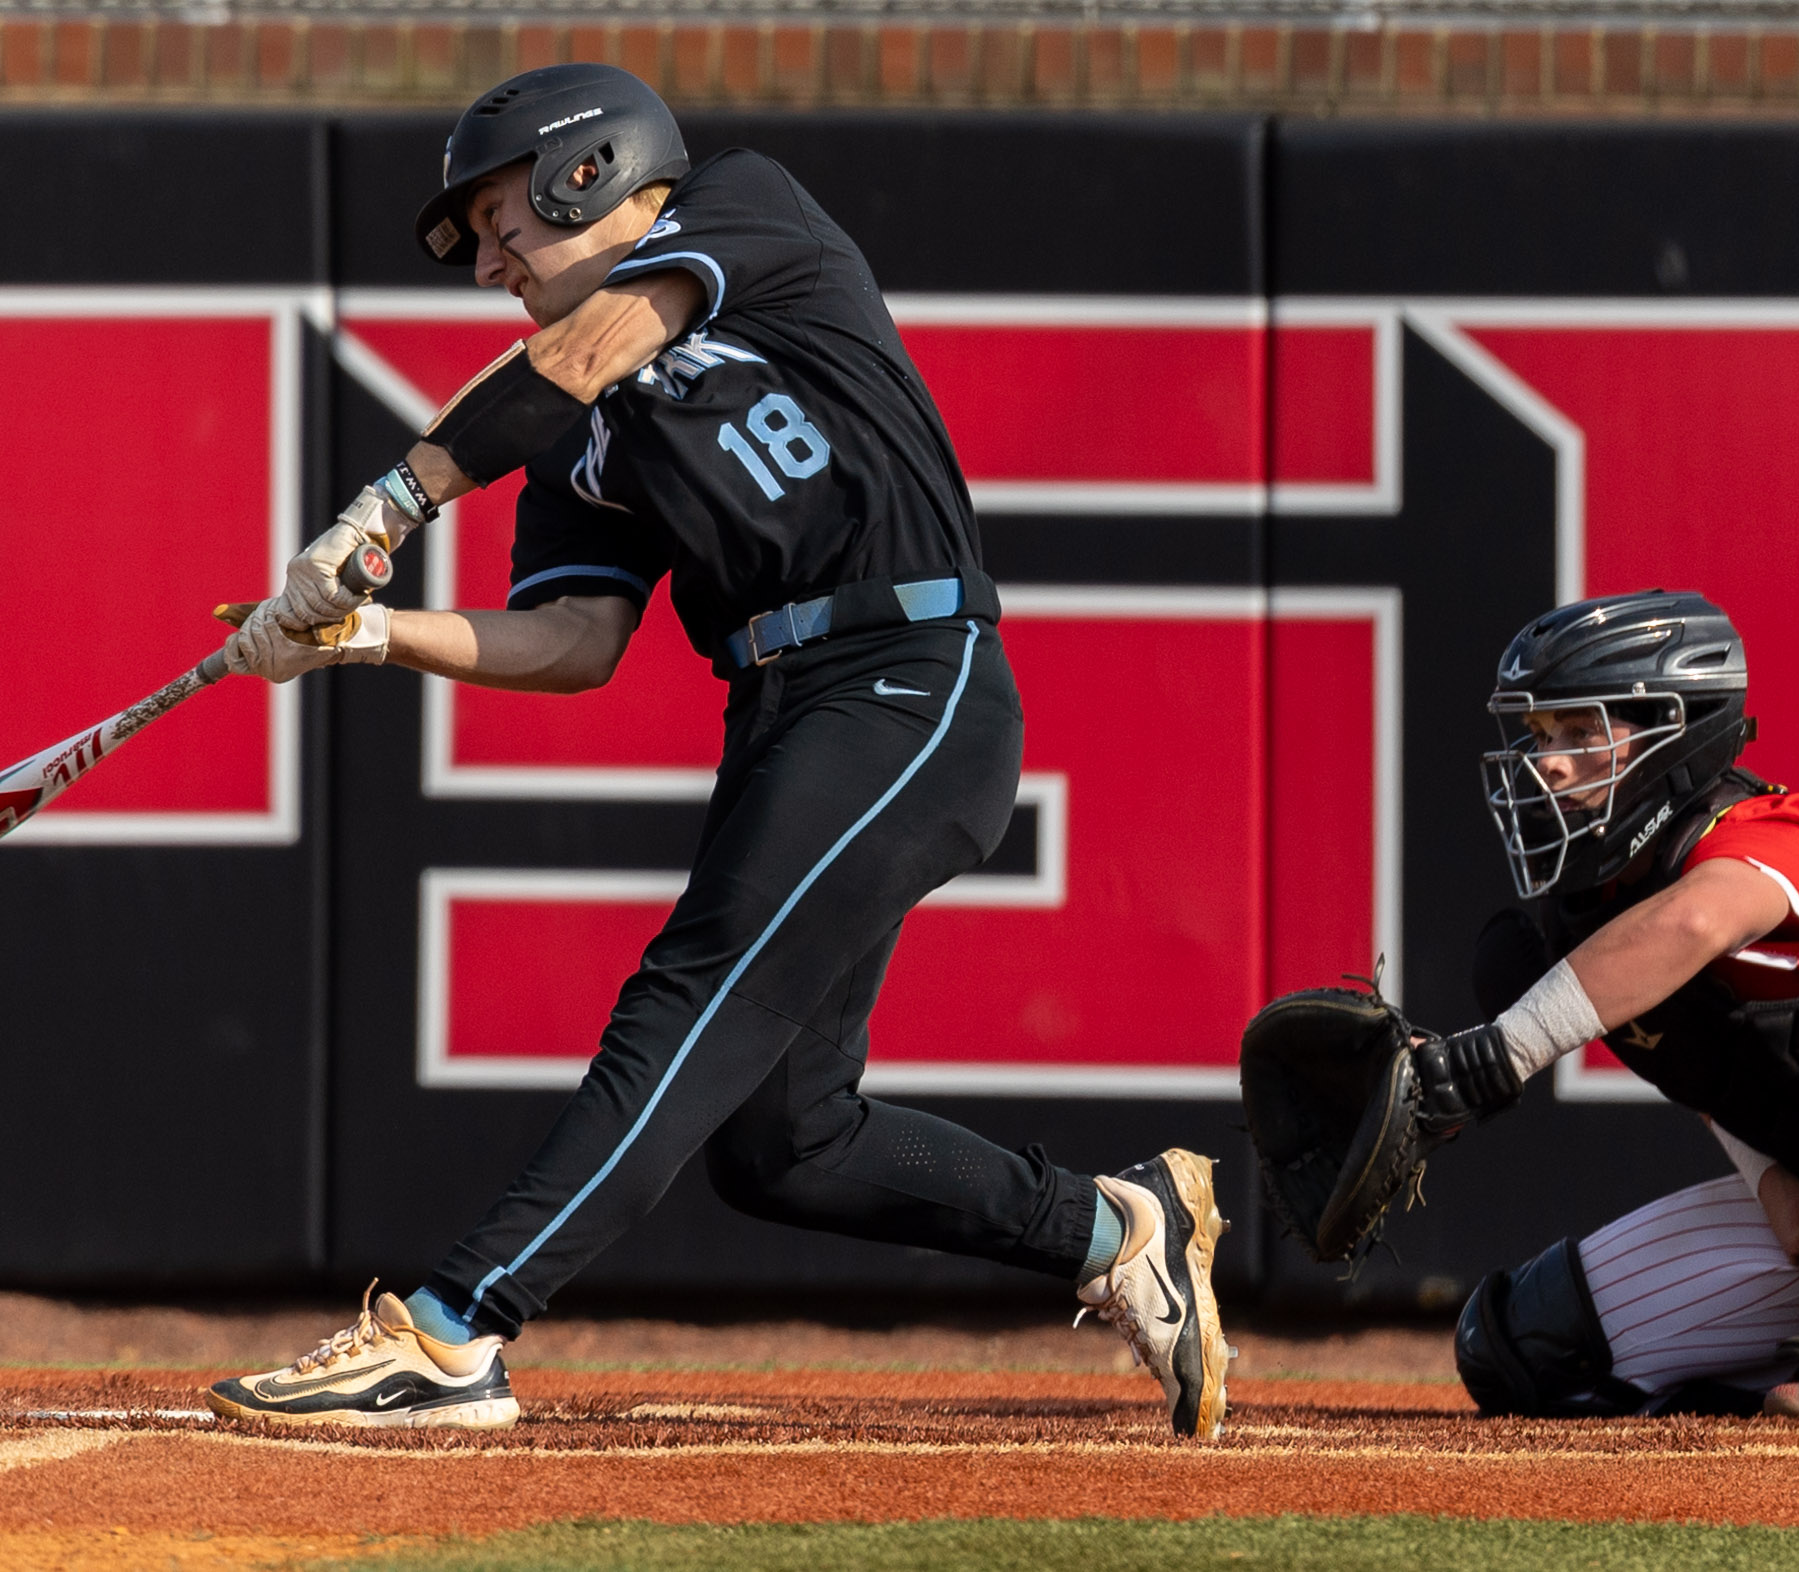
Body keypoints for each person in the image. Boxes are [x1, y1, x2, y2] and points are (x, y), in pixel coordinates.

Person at [198, 63, 1230, 1440]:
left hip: (910, 676)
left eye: (502, 221)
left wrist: (390, 501)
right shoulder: (569, 433)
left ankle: (454, 1331)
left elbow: (599, 339)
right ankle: (1117, 1231)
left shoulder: (745, 213)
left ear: (593, 170)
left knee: (690, 994)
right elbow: (574, 640)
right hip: (782, 707)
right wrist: (375, 636)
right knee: (785, 1143)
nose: (490, 260)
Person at [1407, 589, 1799, 1423]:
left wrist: (1499, 1053)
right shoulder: (1601, 908)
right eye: (1540, 736)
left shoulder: (1760, 838)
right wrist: (1766, 1176)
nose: (1547, 763)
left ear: (1674, 733)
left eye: (1580, 732)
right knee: (1525, 1351)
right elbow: (1717, 1068)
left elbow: (1696, 920)